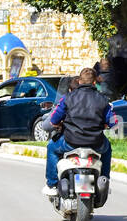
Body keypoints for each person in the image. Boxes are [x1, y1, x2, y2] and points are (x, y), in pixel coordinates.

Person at [44, 67, 115, 197]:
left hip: (71, 142)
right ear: (94, 83)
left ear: (80, 81)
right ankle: (104, 180)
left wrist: (58, 124)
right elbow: (113, 122)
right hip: (96, 143)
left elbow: (53, 120)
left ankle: (52, 184)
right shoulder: (103, 100)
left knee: (51, 147)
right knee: (108, 148)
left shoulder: (67, 98)